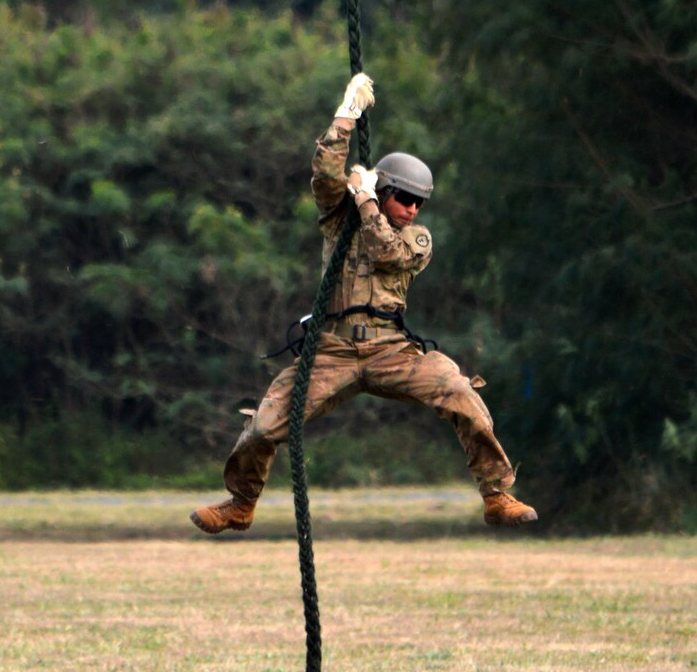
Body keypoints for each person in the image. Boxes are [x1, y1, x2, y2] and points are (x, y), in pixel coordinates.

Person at [191, 74, 537, 534]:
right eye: (406, 198)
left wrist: (369, 199)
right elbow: (324, 174)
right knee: (264, 425)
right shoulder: (342, 219)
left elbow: (387, 253)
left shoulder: (416, 238)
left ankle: (496, 495)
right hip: (332, 347)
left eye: (420, 203)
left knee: (459, 392)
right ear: (388, 188)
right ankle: (241, 503)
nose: (413, 209)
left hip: (391, 348)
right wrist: (346, 116)